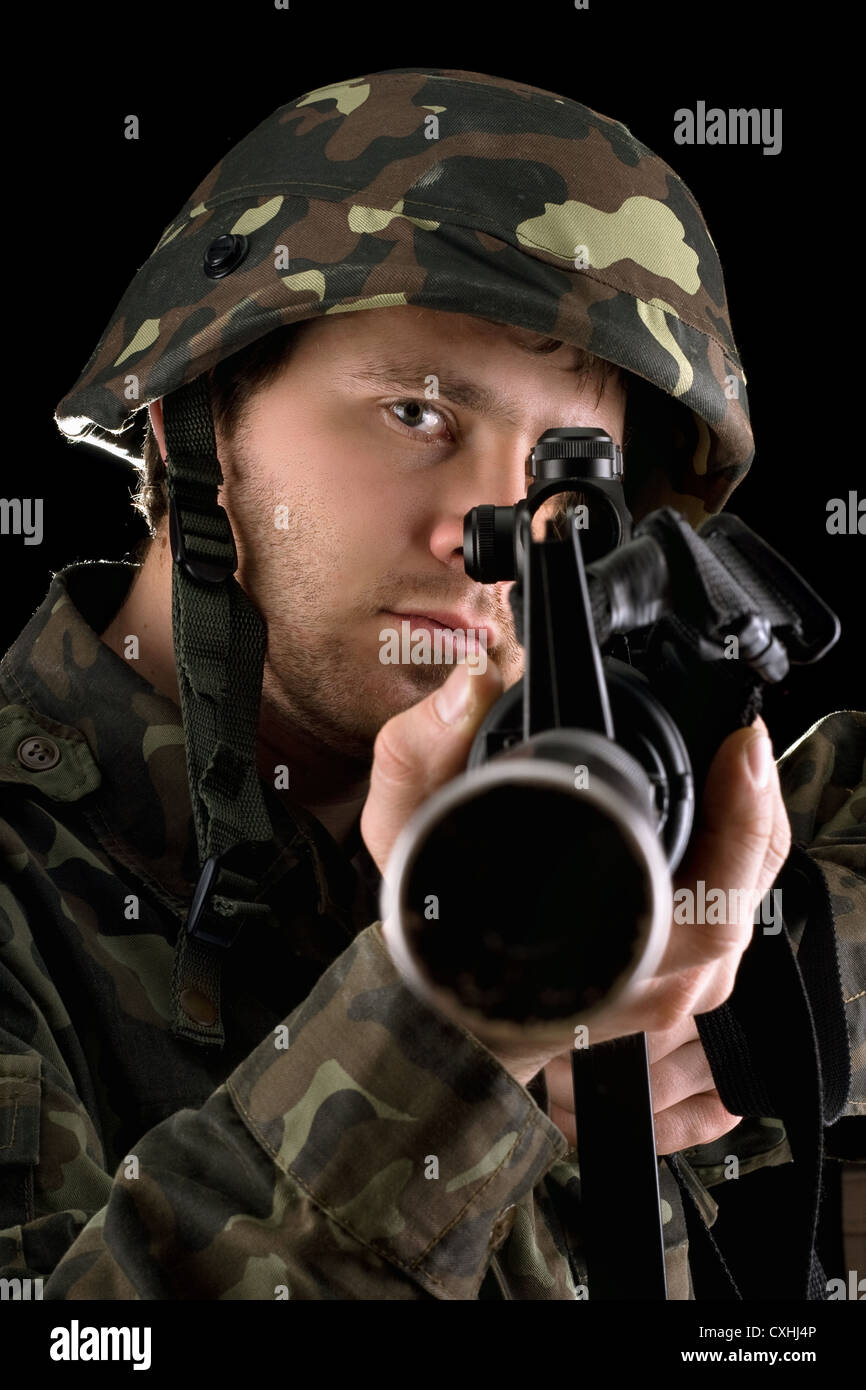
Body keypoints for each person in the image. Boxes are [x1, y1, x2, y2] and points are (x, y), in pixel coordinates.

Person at [0, 67, 861, 1301]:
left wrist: (751, 987)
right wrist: (453, 1020)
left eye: (569, 468)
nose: (492, 528)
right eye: (415, 412)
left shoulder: (606, 812)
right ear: (193, 421)